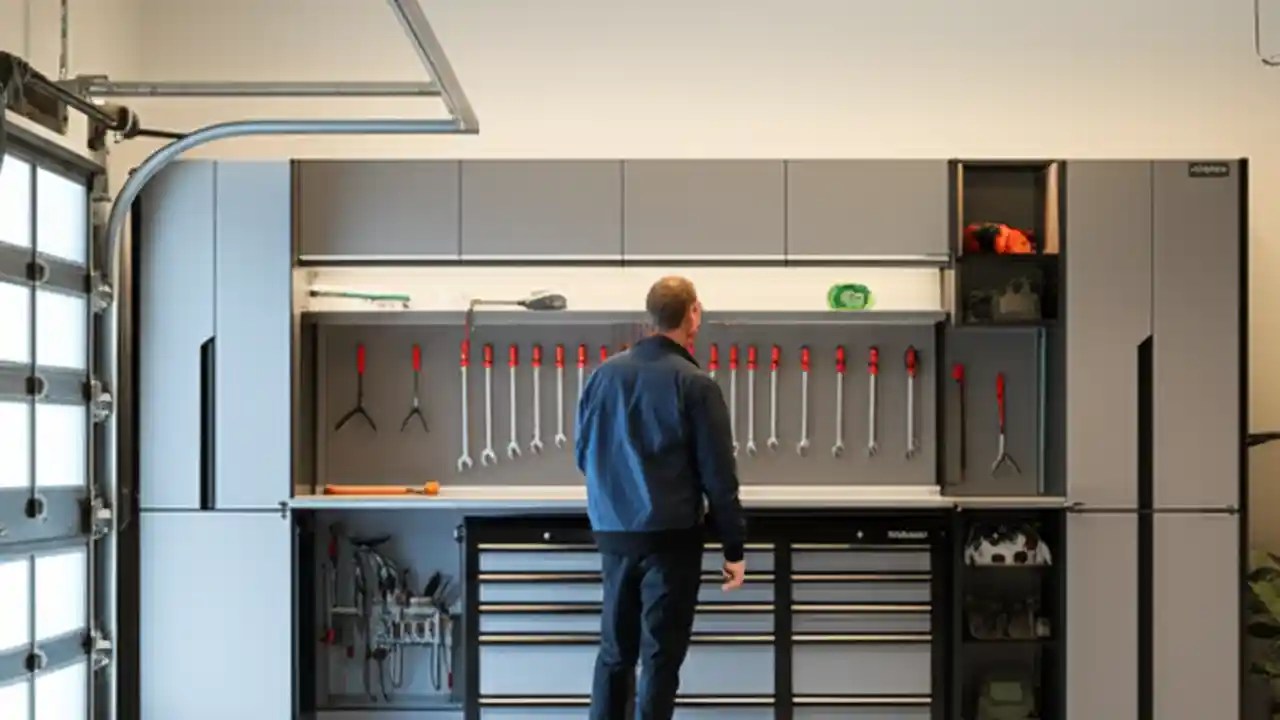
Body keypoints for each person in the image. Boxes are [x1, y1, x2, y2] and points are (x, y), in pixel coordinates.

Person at [575, 276, 746, 720]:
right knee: (659, 661)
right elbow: (719, 478)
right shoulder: (696, 385)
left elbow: (582, 454)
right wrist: (734, 547)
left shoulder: (602, 377)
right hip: (672, 543)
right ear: (694, 313)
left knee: (614, 655)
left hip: (614, 538)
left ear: (648, 319)